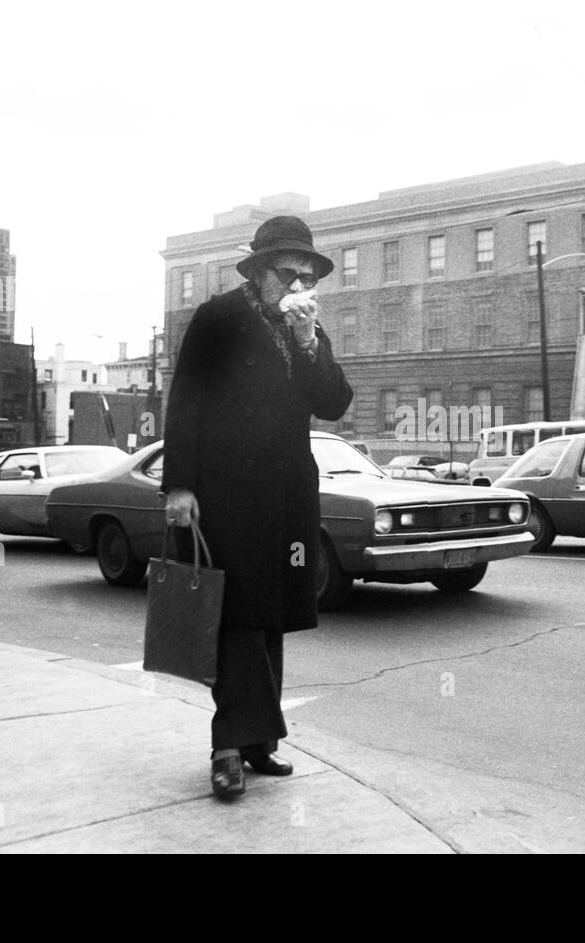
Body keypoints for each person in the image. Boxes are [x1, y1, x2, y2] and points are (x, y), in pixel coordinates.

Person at [162, 215, 353, 799]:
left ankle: (259, 741)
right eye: (287, 273)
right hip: (227, 492)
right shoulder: (220, 316)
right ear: (259, 271)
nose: (298, 285)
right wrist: (180, 486)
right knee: (239, 616)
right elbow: (187, 400)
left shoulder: (307, 332)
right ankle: (228, 746)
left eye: (307, 275)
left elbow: (334, 404)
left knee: (271, 614)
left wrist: (307, 343)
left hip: (288, 495)